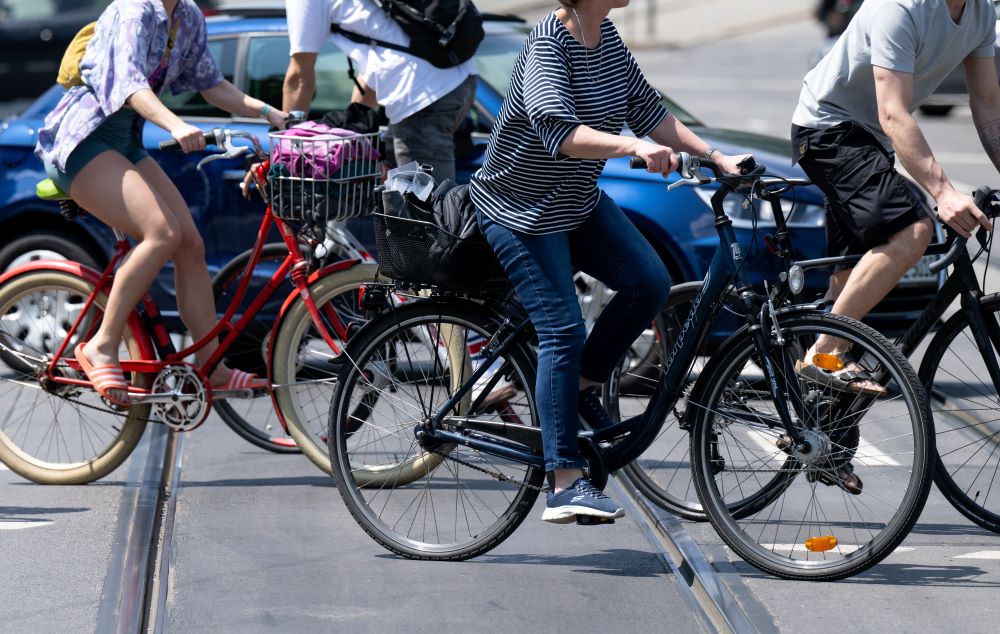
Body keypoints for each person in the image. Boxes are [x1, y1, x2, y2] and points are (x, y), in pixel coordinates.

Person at [471, 0, 750, 523]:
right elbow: (559, 132)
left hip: (575, 203)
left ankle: (576, 387)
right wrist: (632, 148)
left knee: (649, 282)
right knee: (562, 331)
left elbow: (649, 109)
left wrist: (716, 157)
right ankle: (563, 480)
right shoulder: (550, 42)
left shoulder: (605, 36)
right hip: (521, 209)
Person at [790, 0, 1000, 493]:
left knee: (848, 302)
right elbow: (892, 112)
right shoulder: (900, 6)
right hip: (829, 128)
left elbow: (988, 104)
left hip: (869, 143)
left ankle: (822, 428)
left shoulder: (981, 12)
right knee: (913, 230)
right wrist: (944, 192)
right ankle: (819, 355)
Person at [36, 0, 288, 405]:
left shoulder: (186, 16)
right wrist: (175, 123)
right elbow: (128, 86)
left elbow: (211, 84)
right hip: (82, 141)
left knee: (190, 244)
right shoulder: (132, 11)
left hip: (125, 142)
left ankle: (212, 366)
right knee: (162, 233)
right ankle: (100, 345)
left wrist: (268, 113)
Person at [281, 0, 477, 183]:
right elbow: (379, 60)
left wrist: (286, 147)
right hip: (459, 78)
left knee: (426, 206)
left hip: (421, 95)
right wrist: (356, 127)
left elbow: (299, 77)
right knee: (389, 178)